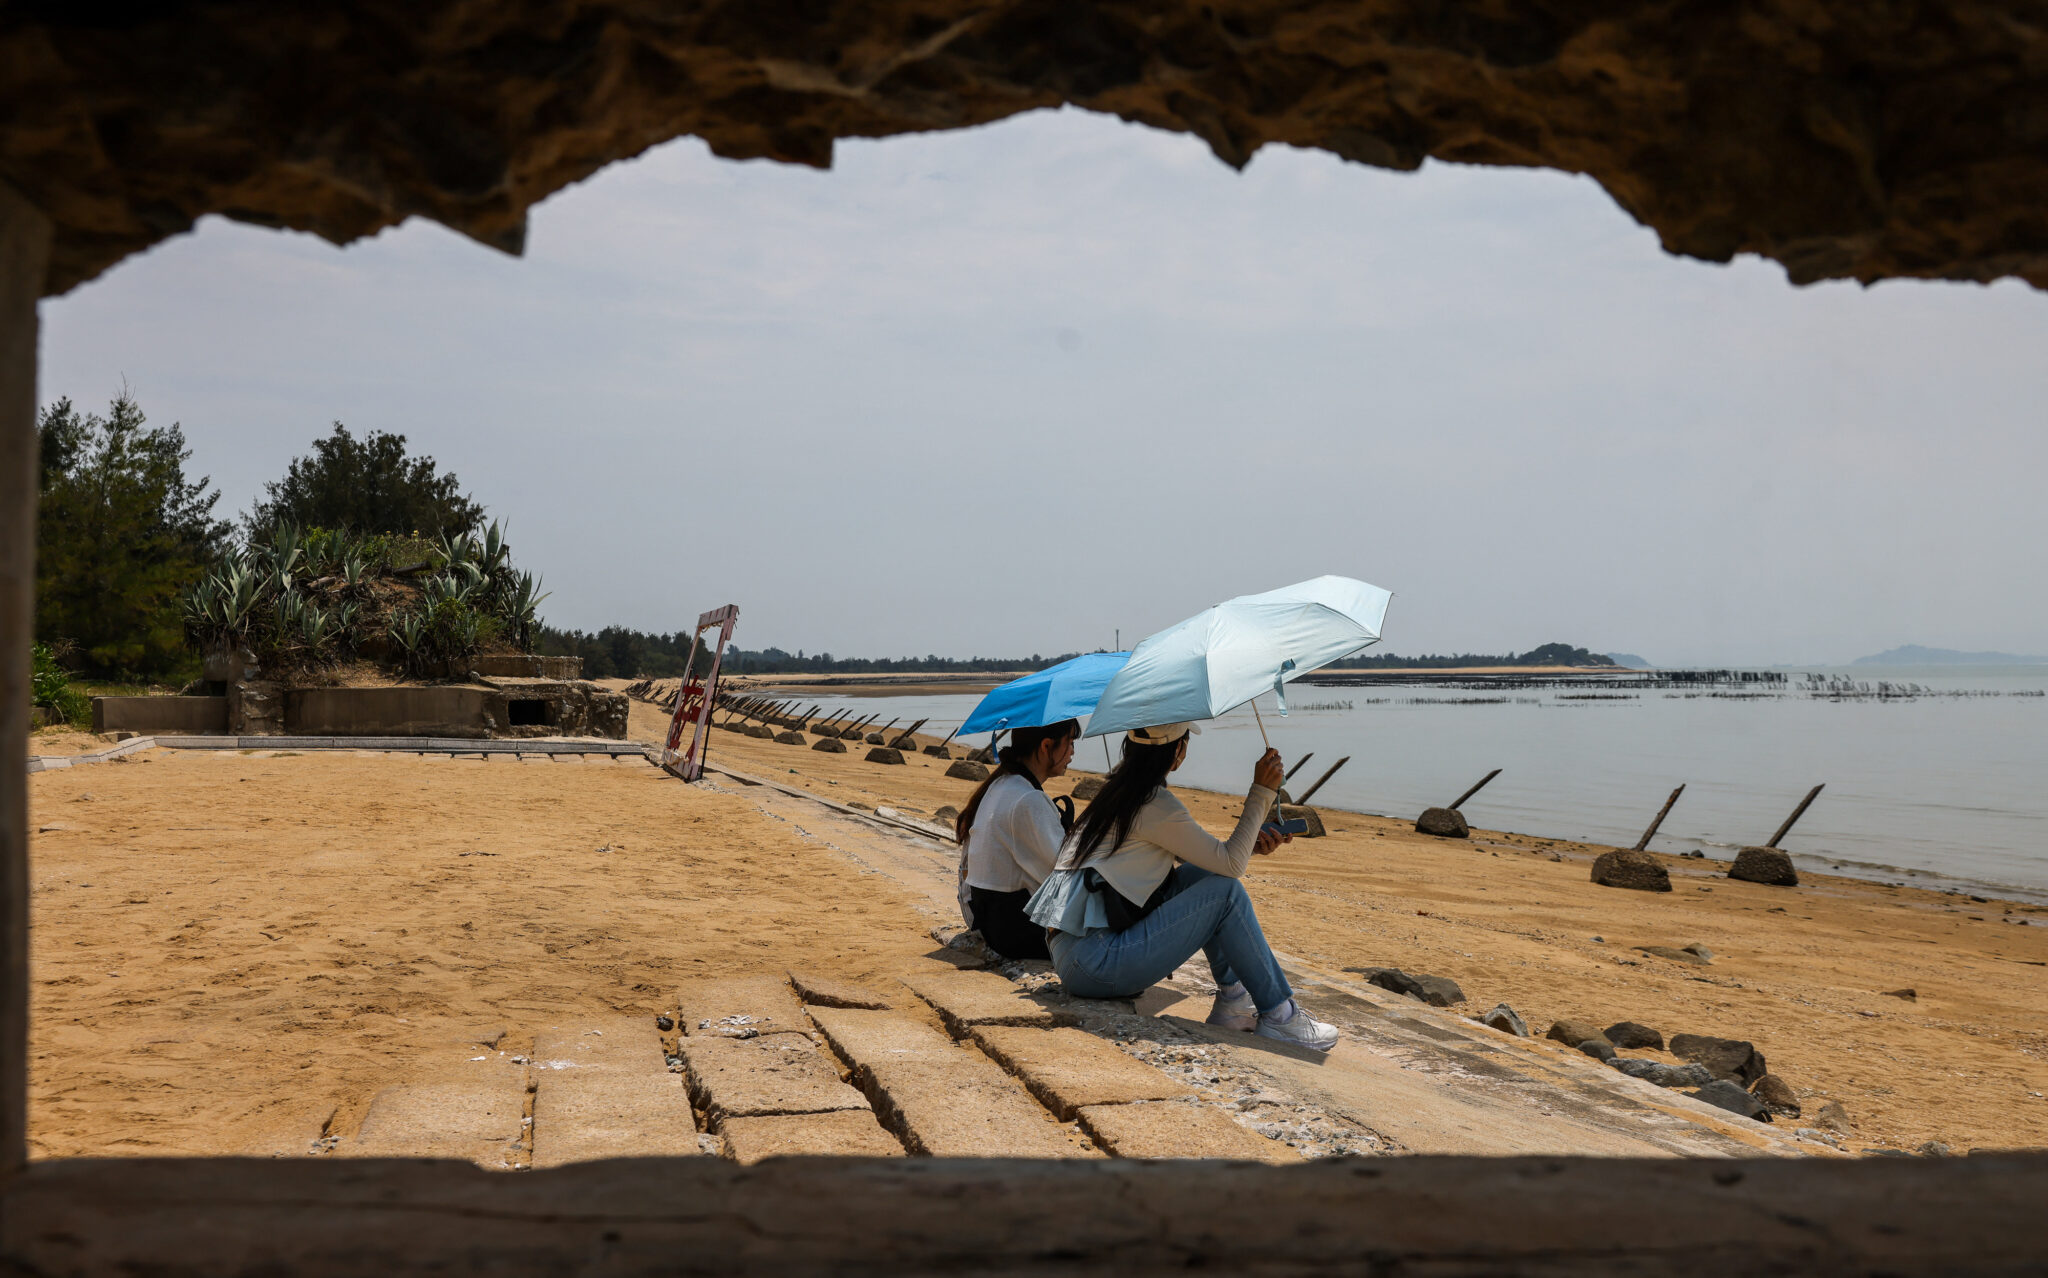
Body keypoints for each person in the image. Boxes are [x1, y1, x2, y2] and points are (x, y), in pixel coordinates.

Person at [1023, 721, 1340, 1051]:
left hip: (1076, 955)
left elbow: (1214, 860)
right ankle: (1280, 1016)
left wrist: (1250, 846)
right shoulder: (1153, 803)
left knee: (1204, 878)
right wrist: (1262, 792)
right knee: (1225, 893)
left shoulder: (1118, 794)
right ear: (1177, 751)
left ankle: (1233, 1003)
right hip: (1095, 964)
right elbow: (1230, 865)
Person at [954, 718, 1080, 960]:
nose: (1073, 752)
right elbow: (1064, 876)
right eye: (1070, 742)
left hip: (993, 924)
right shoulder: (1028, 799)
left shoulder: (1001, 784)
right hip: (1020, 934)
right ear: (1046, 746)